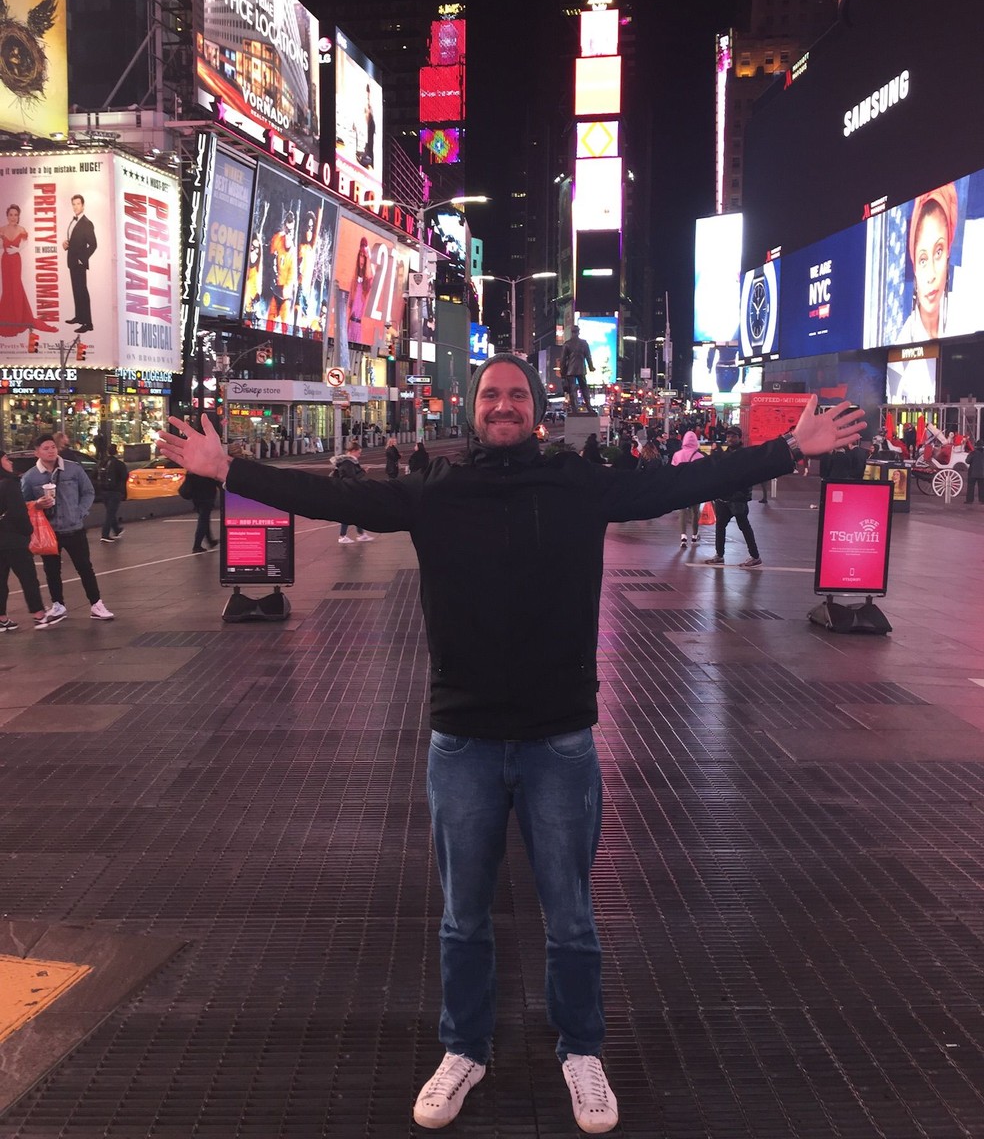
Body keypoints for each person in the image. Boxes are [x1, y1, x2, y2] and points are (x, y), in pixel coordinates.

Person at [158, 355, 864, 1136]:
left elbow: (676, 483)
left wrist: (785, 449)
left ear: (537, 410)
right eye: (491, 395)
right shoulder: (436, 491)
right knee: (462, 917)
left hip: (558, 739)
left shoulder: (578, 484)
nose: (502, 405)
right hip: (462, 738)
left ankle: (581, 1051)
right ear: (472, 407)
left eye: (515, 395)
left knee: (571, 917)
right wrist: (228, 469)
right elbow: (332, 494)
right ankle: (464, 1048)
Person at [20, 434, 114, 623]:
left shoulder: (73, 469)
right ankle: (58, 604)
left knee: (85, 568)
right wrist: (37, 504)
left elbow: (88, 492)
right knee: (52, 570)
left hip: (74, 527)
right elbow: (24, 503)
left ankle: (96, 604)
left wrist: (80, 512)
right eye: (46, 448)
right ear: (37, 452)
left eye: (53, 447)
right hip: (50, 531)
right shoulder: (31, 477)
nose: (51, 451)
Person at [897, 183, 958, 344]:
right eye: (923, 260)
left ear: (948, 254)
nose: (931, 275)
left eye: (938, 252)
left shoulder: (966, 314)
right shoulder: (902, 344)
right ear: (915, 266)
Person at [0, 446, 47, 630]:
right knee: (28, 577)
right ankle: (39, 614)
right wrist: (27, 531)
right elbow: (19, 512)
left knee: (0, 580)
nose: (10, 462)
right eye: (6, 459)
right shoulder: (9, 484)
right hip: (14, 539)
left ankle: (2, 618)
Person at [704, 430, 763, 569]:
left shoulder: (744, 455)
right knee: (720, 526)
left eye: (733, 436)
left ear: (739, 438)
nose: (730, 439)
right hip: (723, 498)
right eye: (728, 436)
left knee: (744, 527)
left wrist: (743, 496)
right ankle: (719, 555)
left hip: (737, 499)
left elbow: (749, 476)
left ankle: (755, 556)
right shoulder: (725, 454)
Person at [0, 205, 57, 335]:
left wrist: (17, 249)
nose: (13, 217)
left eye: (15, 215)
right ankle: (7, 317)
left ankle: (20, 318)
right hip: (5, 261)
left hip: (15, 260)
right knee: (7, 288)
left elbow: (25, 243)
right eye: (11, 215)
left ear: (18, 216)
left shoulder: (22, 229)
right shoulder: (1, 229)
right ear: (7, 216)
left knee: (16, 286)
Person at [62, 194, 96, 333]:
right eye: (73, 204)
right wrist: (66, 244)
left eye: (78, 204)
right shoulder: (73, 221)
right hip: (72, 262)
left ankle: (88, 323)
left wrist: (82, 259)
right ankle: (79, 317)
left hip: (79, 263)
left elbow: (93, 245)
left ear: (83, 205)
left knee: (82, 291)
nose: (75, 207)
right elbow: (76, 242)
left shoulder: (87, 223)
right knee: (76, 290)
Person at [333, 442, 373, 543]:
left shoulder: (349, 462)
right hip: (349, 490)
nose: (359, 455)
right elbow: (351, 478)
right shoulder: (348, 463)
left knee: (356, 511)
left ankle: (360, 534)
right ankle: (342, 536)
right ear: (353, 451)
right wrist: (363, 472)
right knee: (349, 512)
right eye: (359, 453)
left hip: (349, 489)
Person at [672, 430, 704, 546]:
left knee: (682, 512)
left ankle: (683, 536)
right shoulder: (699, 456)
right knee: (695, 512)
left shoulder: (677, 455)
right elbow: (702, 474)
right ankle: (694, 536)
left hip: (681, 486)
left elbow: (673, 471)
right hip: (695, 487)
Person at [181, 470, 219, 553]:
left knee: (204, 519)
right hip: (207, 496)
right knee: (203, 520)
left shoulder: (192, 468)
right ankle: (197, 545)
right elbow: (215, 480)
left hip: (196, 497)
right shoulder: (207, 468)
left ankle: (210, 541)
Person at [560, 325, 595, 413]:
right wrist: (591, 367)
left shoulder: (567, 344)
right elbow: (588, 356)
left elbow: (563, 359)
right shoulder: (584, 343)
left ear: (571, 332)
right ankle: (589, 407)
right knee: (584, 388)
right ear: (579, 332)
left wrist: (562, 371)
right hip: (581, 369)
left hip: (570, 370)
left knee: (572, 390)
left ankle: (574, 409)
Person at [97, 443, 128, 542]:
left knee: (111, 511)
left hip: (104, 491)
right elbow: (124, 476)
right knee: (110, 513)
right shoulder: (119, 464)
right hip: (115, 492)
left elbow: (94, 474)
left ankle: (117, 530)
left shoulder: (103, 463)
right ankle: (105, 534)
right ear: (117, 452)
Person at [965, 438, 984, 505]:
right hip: (982, 473)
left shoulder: (973, 453)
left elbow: (967, 461)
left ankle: (969, 500)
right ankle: (982, 500)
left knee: (970, 487)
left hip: (972, 473)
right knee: (982, 487)